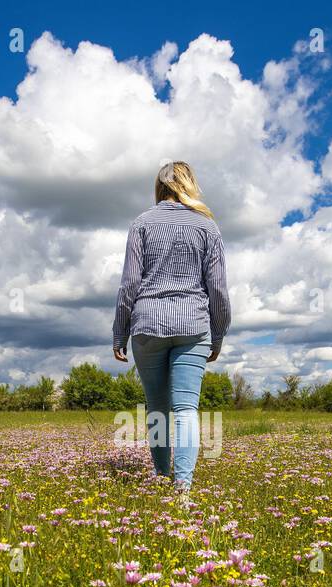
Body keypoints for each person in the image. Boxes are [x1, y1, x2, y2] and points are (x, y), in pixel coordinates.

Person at [112, 161, 231, 496]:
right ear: (189, 184)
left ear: (159, 186)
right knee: (186, 410)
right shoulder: (207, 226)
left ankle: (162, 477)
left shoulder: (142, 223)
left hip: (147, 324)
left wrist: (120, 332)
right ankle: (182, 491)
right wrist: (218, 333)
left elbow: (129, 285)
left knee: (157, 409)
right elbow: (218, 289)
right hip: (193, 325)